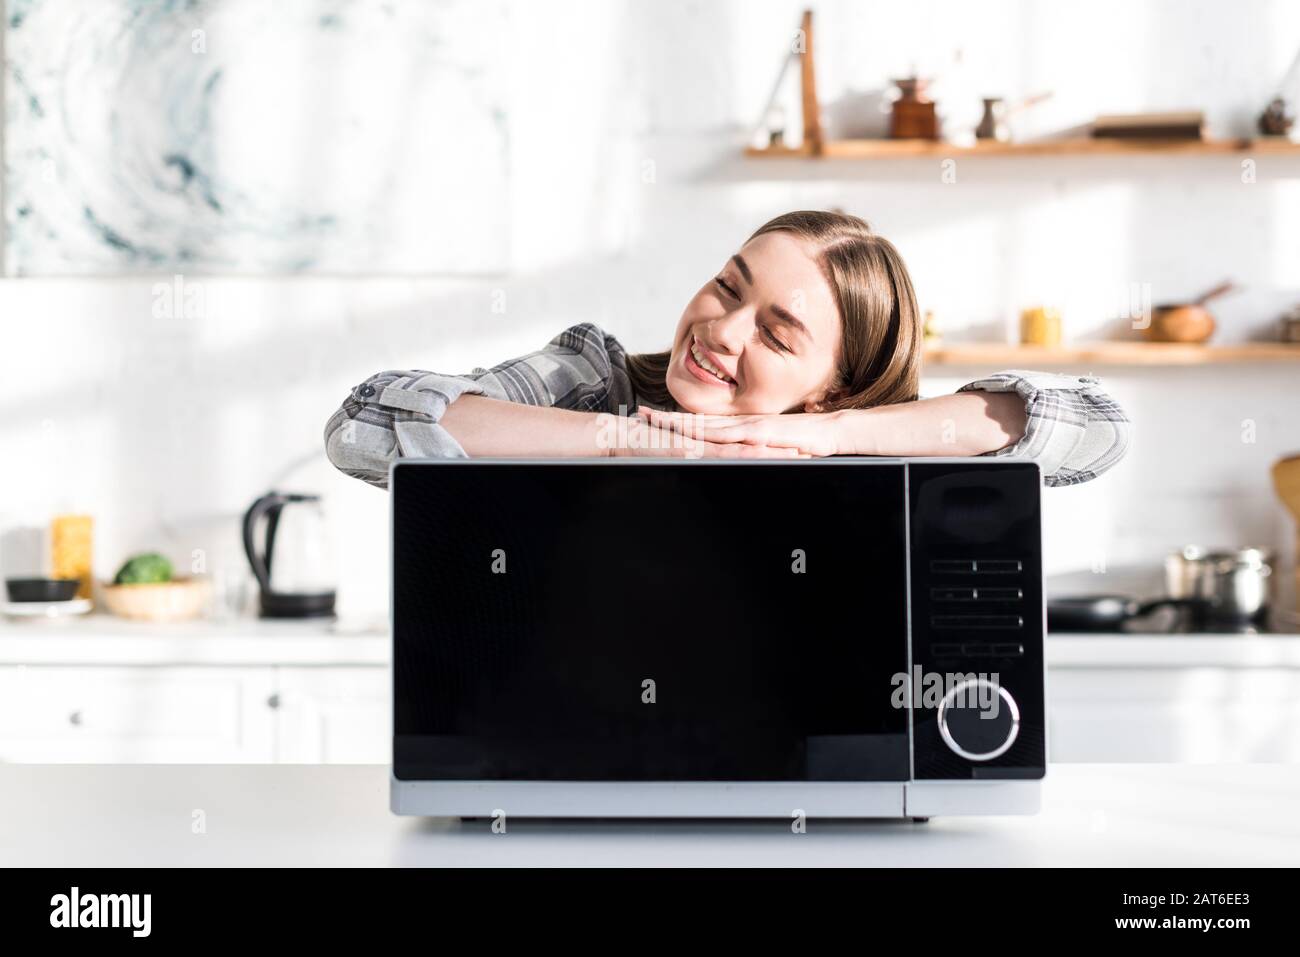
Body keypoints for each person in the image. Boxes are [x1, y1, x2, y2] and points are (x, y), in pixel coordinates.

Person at [324, 210, 1130, 488]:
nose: (721, 328)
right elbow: (362, 424)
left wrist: (828, 438)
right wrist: (633, 439)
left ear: (832, 390)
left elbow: (1097, 427)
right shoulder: (594, 379)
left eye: (778, 333)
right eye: (726, 285)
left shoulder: (860, 445)